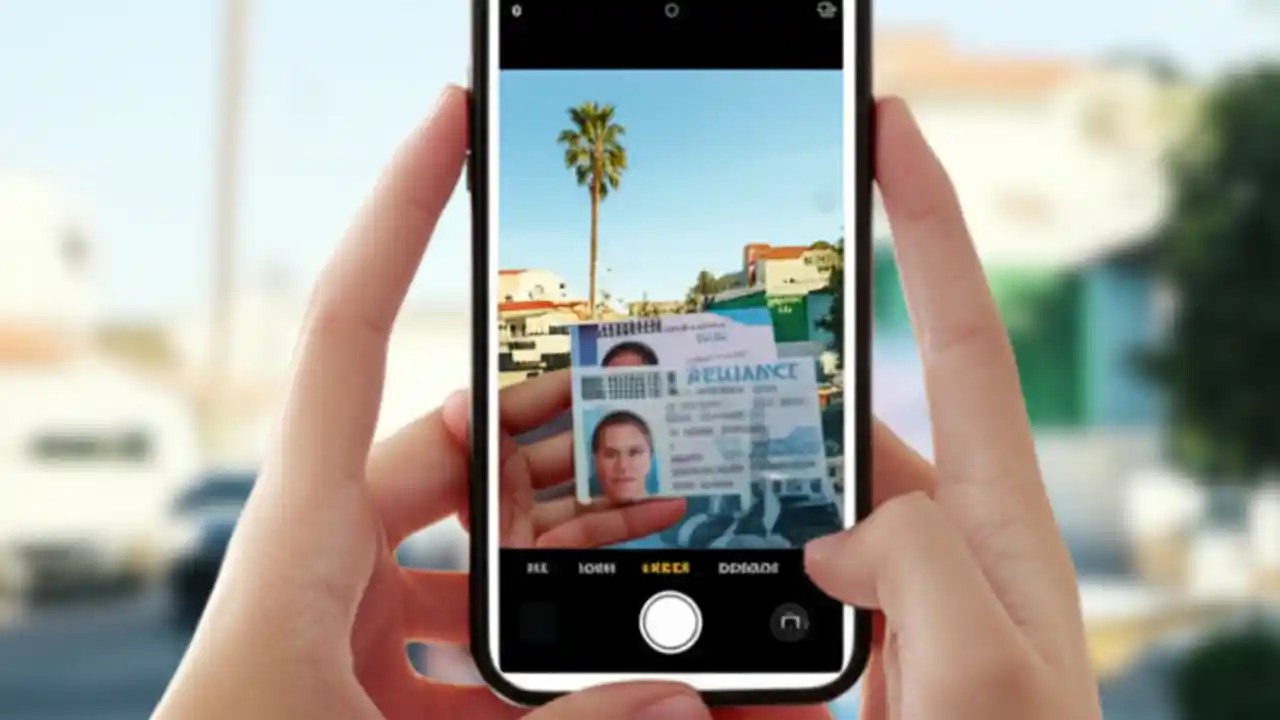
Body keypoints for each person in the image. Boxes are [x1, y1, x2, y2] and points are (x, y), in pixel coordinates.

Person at [151, 86, 1101, 720]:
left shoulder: (743, 502)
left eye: (622, 450)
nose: (613, 465)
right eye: (609, 451)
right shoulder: (636, 514)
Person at [591, 410, 656, 501]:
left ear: (650, 457)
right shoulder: (578, 512)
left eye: (634, 453)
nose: (623, 466)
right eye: (611, 455)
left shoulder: (677, 512)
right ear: (595, 461)